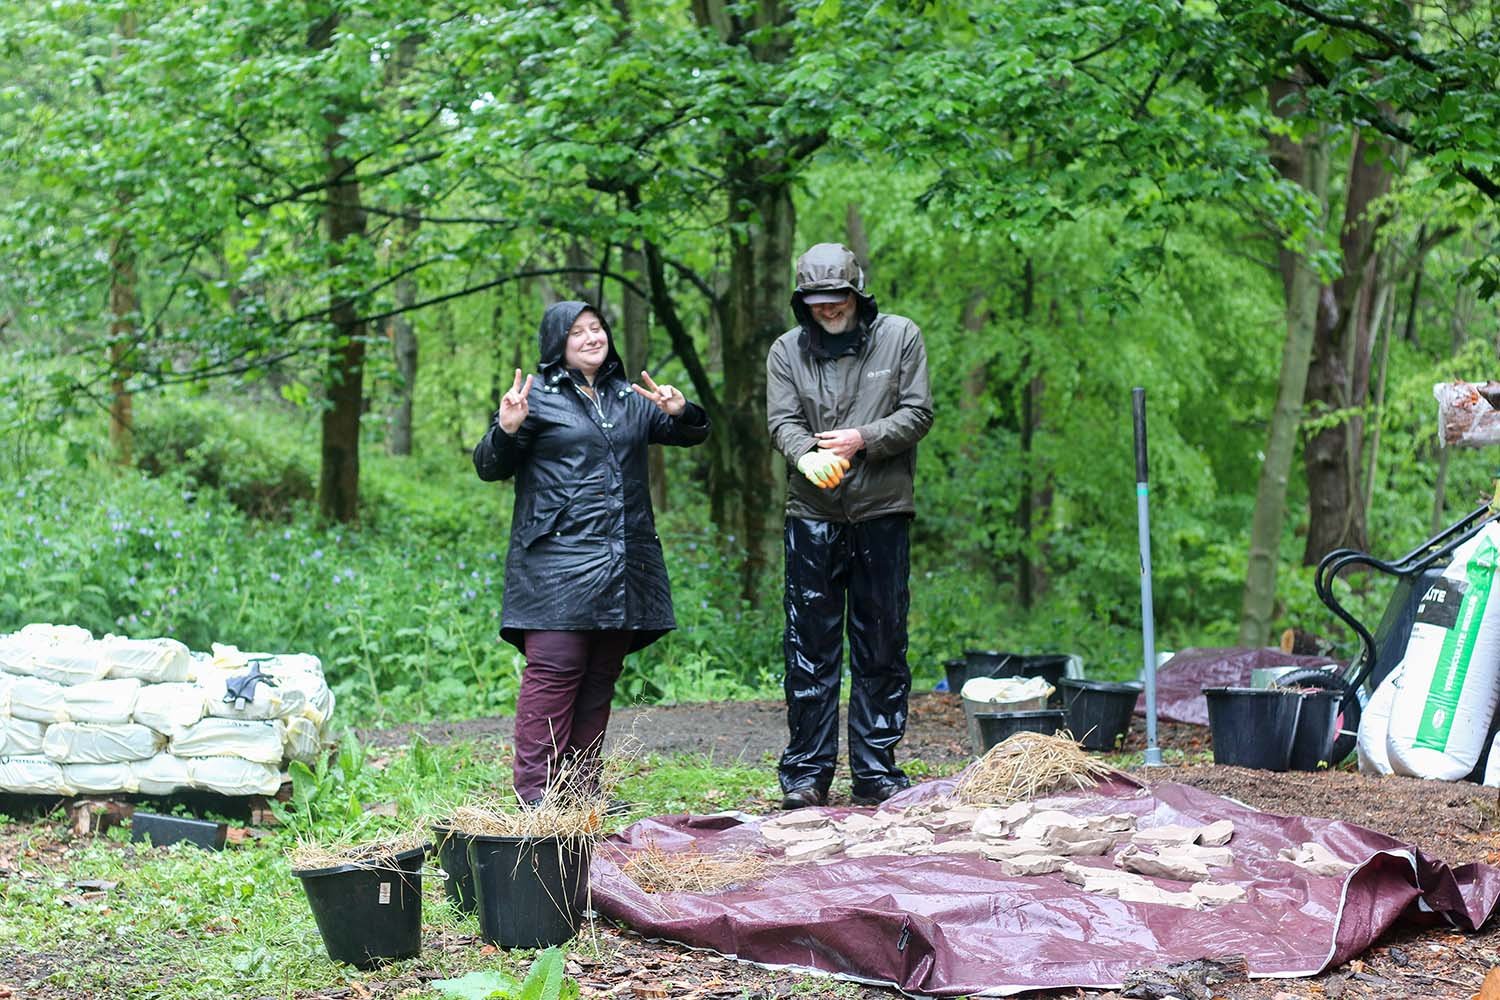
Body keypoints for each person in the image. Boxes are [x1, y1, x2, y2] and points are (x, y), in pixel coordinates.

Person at [473, 300, 710, 805]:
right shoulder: (537, 400)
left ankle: (580, 790)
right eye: (577, 332)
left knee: (600, 676)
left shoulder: (630, 398)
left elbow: (692, 433)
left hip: (623, 564)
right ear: (558, 343)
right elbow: (490, 465)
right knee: (554, 673)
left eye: (596, 328)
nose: (589, 338)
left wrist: (680, 410)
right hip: (555, 564)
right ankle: (535, 795)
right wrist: (507, 428)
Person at [766, 242, 934, 809]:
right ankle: (806, 772)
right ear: (803, 300)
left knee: (881, 643)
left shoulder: (901, 335)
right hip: (812, 513)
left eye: (836, 298)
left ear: (857, 294)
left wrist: (864, 439)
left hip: (883, 508)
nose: (827, 309)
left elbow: (917, 413)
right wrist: (802, 455)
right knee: (808, 647)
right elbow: (782, 420)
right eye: (815, 300)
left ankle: (875, 768)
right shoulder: (786, 350)